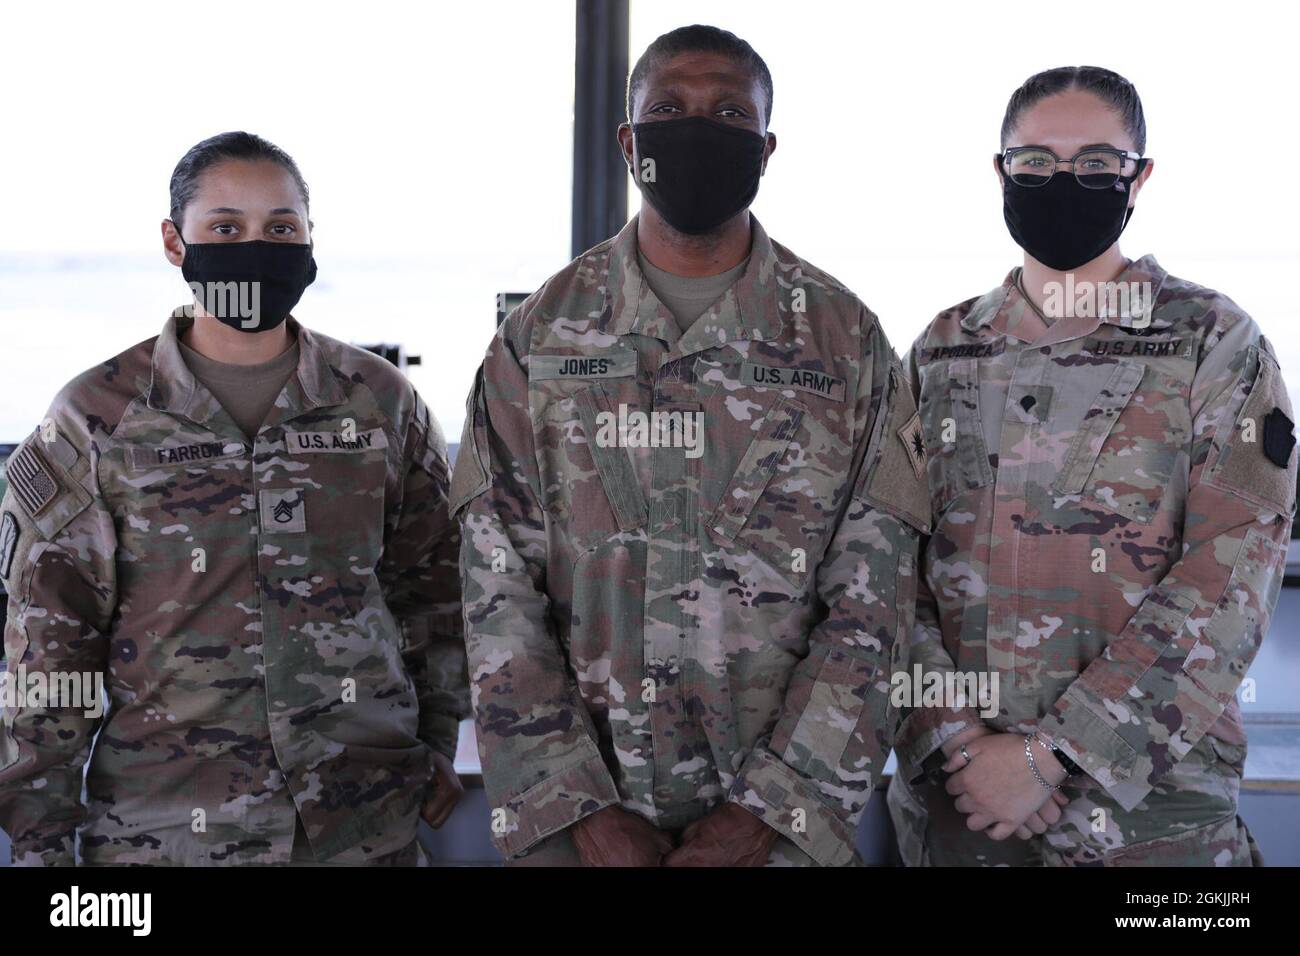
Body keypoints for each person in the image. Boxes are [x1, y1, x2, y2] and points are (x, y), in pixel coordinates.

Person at [450, 24, 929, 867]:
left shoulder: (845, 340)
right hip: (579, 831)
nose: (698, 126)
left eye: (728, 112)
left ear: (766, 147)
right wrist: (578, 807)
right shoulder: (539, 336)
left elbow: (873, 600)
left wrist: (774, 810)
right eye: (669, 108)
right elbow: (497, 588)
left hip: (778, 834)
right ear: (630, 142)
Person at [0, 131, 469, 865]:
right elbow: (50, 644)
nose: (257, 246)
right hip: (163, 831)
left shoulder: (380, 403)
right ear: (173, 241)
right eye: (226, 228)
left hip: (357, 826)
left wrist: (439, 740)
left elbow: (434, 592)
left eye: (281, 228)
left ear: (311, 240)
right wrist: (39, 838)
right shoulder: (98, 416)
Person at [887, 67, 1295, 866]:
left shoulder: (1214, 342)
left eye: (1096, 164)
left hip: (1151, 815)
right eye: (1034, 162)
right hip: (958, 808)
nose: (1062, 182)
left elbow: (1231, 577)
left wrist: (1049, 758)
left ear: (1139, 177)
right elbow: (885, 565)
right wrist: (958, 743)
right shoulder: (942, 349)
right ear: (999, 172)